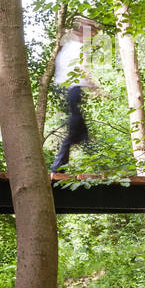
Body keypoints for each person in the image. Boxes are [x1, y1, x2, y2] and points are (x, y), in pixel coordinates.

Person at [50, 16, 101, 174]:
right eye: (92, 34)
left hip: (69, 88)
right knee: (76, 129)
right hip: (72, 88)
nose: (92, 38)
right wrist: (95, 87)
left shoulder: (70, 45)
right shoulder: (78, 47)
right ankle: (58, 166)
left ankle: (63, 162)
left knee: (78, 127)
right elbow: (81, 67)